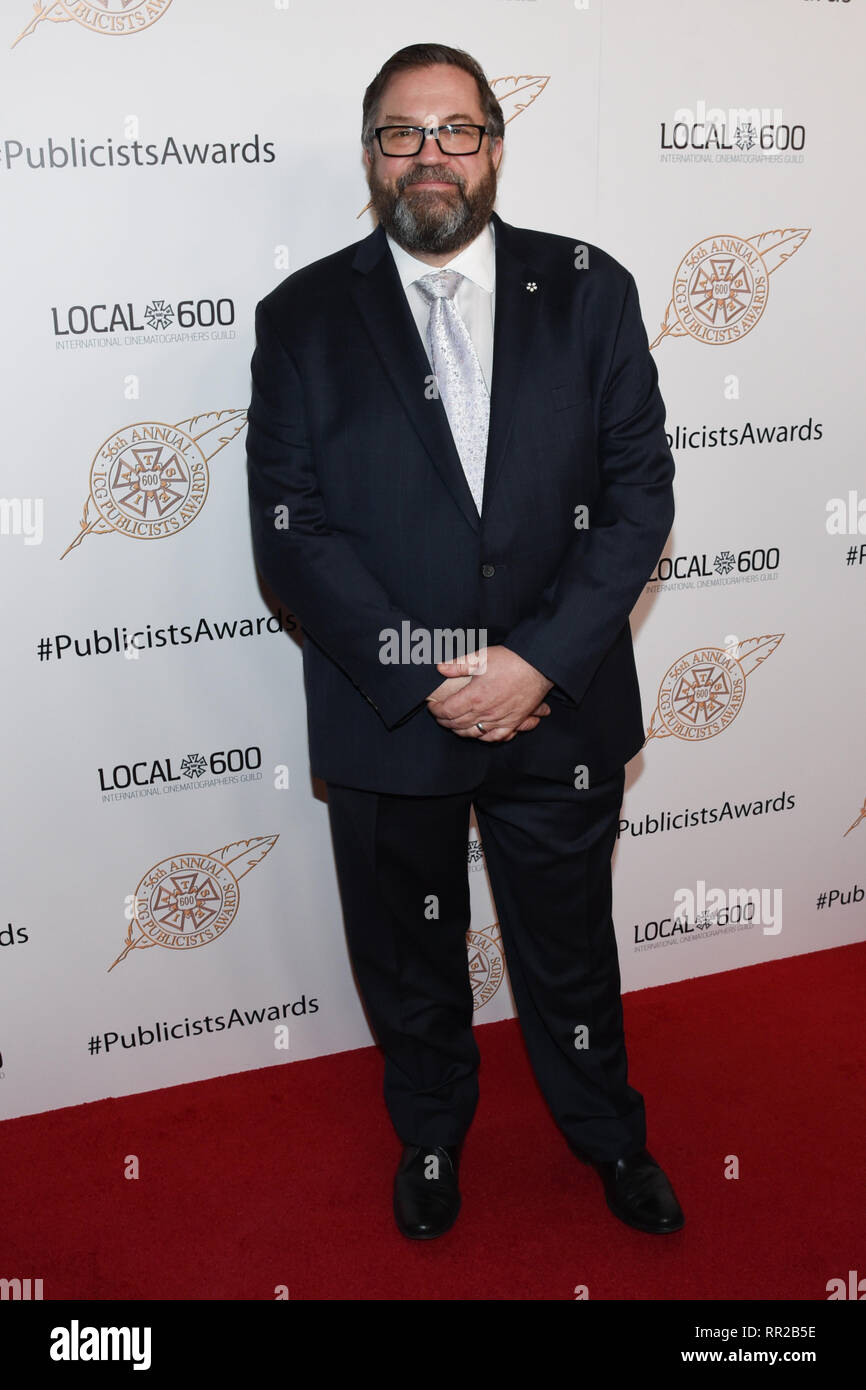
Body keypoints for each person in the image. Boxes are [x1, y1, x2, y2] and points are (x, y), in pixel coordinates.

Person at [246, 43, 683, 1240]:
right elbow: (294, 535)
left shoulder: (589, 289)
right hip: (393, 714)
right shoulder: (301, 319)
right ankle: (431, 1134)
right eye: (401, 132)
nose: (427, 153)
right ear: (373, 155)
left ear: (493, 144)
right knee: (409, 954)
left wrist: (534, 663)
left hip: (561, 701)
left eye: (452, 129)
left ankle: (608, 1134)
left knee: (569, 945)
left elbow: (638, 497)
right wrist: (431, 675)